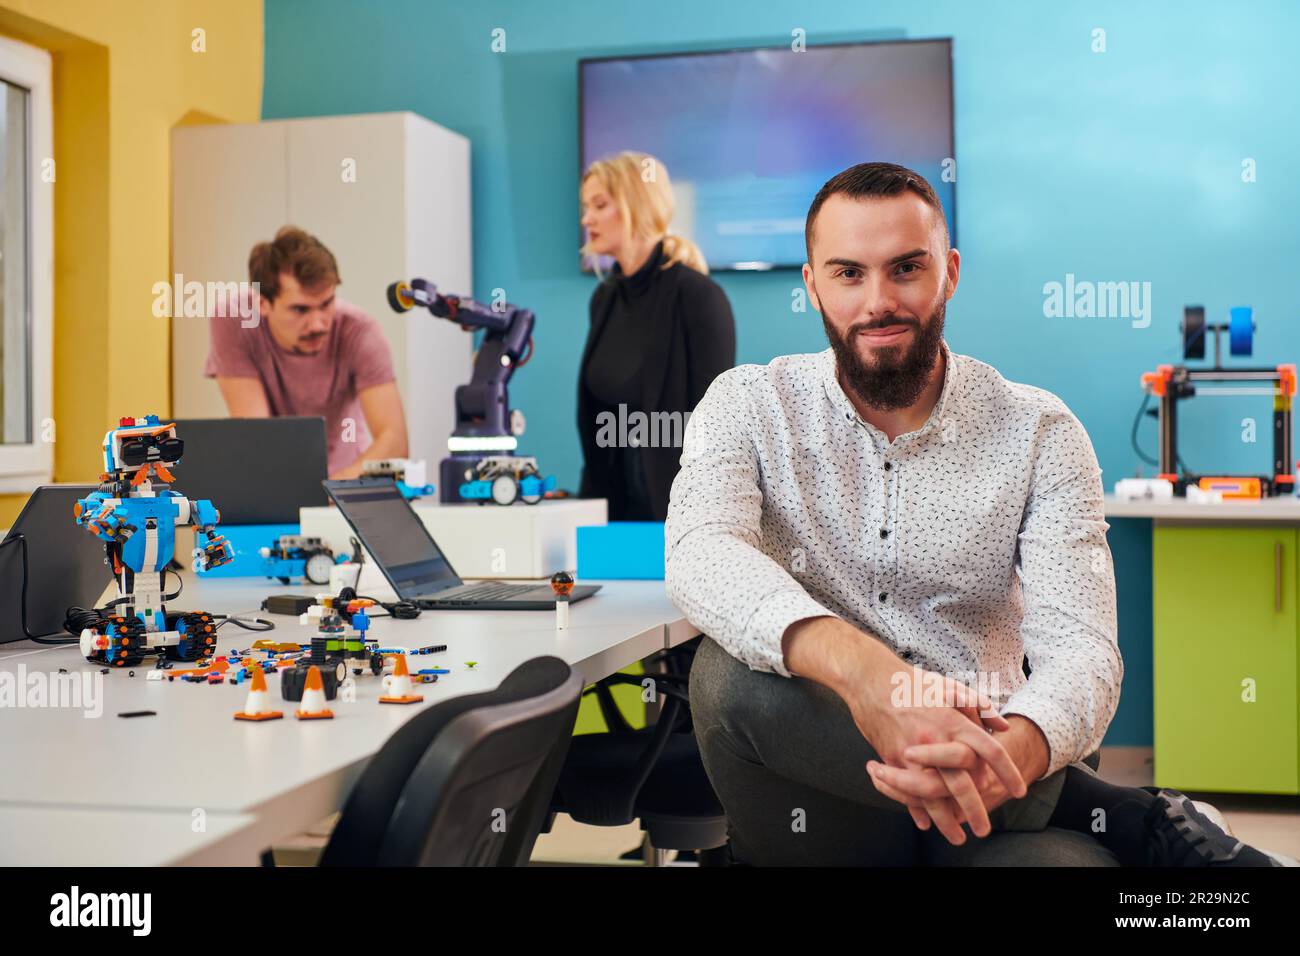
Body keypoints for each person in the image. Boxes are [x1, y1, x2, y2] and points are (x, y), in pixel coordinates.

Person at [666, 162, 1278, 867]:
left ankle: (1075, 815)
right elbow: (701, 550)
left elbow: (1083, 654)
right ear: (811, 285)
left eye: (905, 268)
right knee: (724, 679)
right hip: (817, 813)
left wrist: (1009, 754)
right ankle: (1128, 816)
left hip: (993, 800)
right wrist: (868, 677)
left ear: (949, 272)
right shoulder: (749, 405)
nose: (878, 302)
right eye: (848, 274)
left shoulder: (1040, 430)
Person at [577, 152, 735, 521]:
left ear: (637, 203)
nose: (587, 219)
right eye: (586, 207)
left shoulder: (698, 297)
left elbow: (715, 426)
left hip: (680, 512)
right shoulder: (603, 299)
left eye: (600, 205)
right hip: (612, 509)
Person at [204, 226, 409, 479]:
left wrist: (332, 490)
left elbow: (395, 440)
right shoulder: (233, 319)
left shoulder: (360, 331)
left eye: (326, 304)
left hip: (345, 479)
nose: (318, 324)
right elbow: (258, 437)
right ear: (263, 304)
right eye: (300, 310)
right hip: (274, 477)